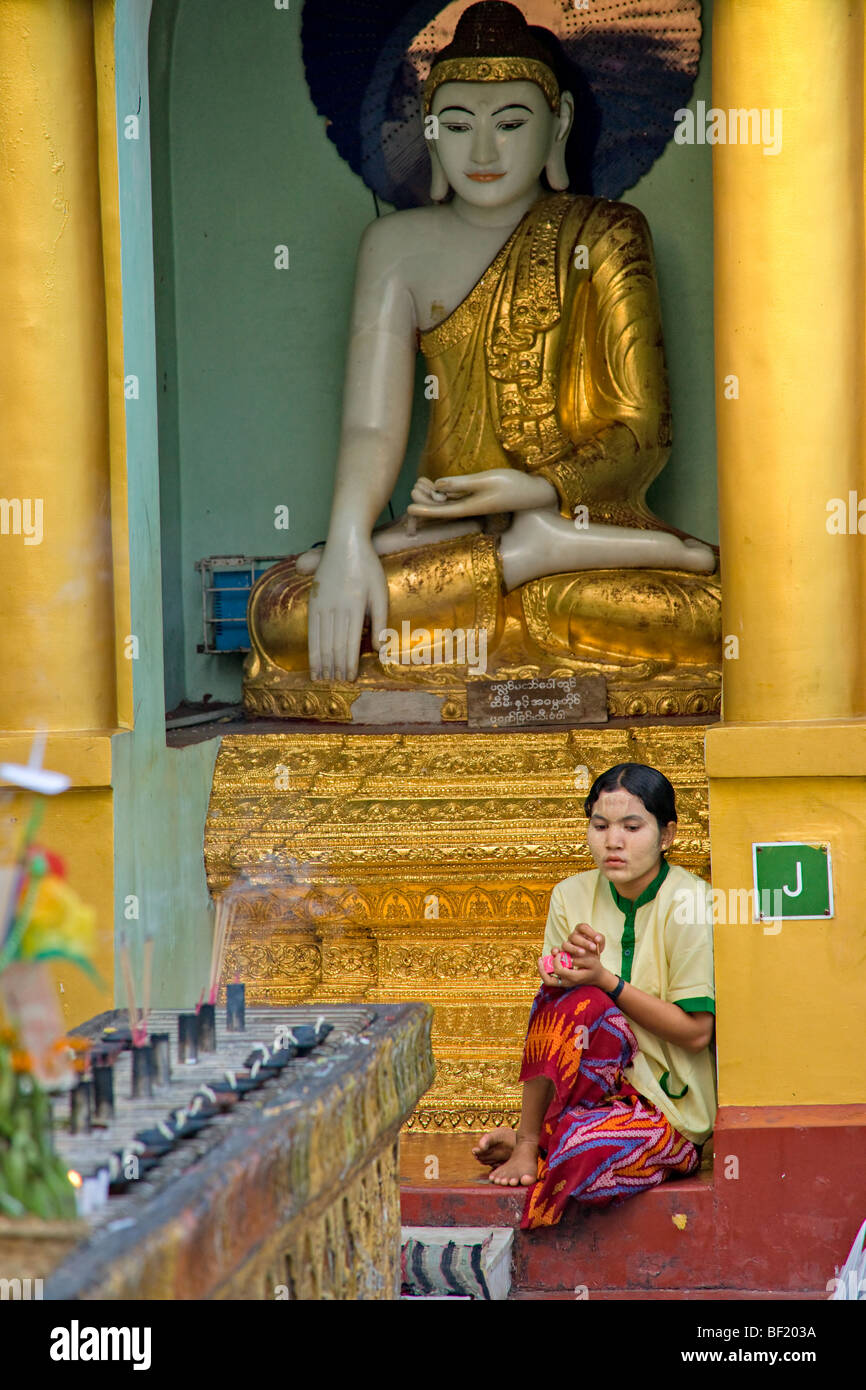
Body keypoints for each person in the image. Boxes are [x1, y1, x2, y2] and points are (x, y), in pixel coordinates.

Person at [245, 1, 720, 708]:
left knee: (707, 616)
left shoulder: (608, 233)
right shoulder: (395, 247)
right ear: (430, 136)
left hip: (590, 530)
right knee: (285, 609)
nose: (485, 153)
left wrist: (533, 490)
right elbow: (370, 429)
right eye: (459, 126)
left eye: (511, 124)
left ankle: (555, 550)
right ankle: (523, 558)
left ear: (557, 126)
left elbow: (642, 430)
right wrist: (348, 540)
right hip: (448, 528)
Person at [472, 761, 716, 1229]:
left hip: (667, 1111)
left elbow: (695, 1034)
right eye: (600, 826)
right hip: (588, 1097)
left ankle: (554, 1144)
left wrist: (606, 979)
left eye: (632, 826)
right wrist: (570, 976)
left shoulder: (692, 901)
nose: (613, 841)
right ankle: (531, 1142)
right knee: (562, 996)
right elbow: (553, 1017)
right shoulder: (570, 896)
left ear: (666, 835)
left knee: (585, 1158)